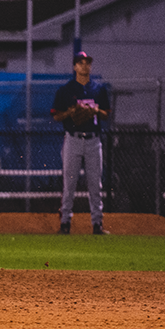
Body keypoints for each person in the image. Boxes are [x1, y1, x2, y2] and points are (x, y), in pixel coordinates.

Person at [51, 51, 112, 235]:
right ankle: (65, 223)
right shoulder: (66, 90)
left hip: (93, 140)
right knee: (69, 183)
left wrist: (95, 111)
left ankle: (97, 224)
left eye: (87, 62)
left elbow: (106, 113)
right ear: (74, 67)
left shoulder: (98, 89)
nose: (85, 65)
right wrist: (70, 113)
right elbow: (55, 115)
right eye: (81, 62)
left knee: (95, 183)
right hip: (73, 139)